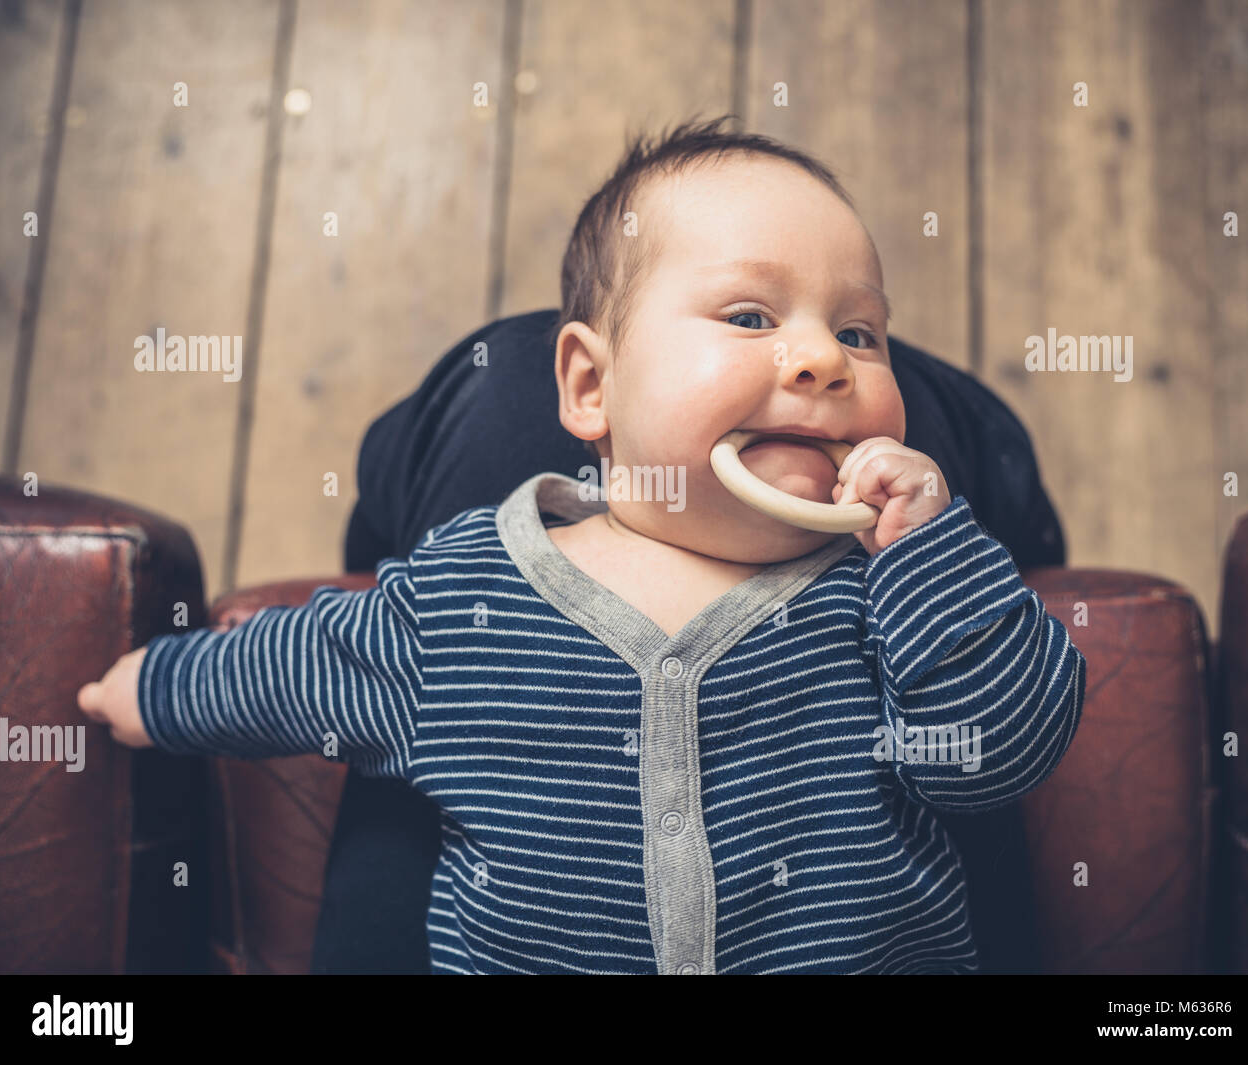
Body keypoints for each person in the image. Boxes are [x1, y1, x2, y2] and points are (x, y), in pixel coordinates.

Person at [79, 116, 1084, 973]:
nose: (824, 358)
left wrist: (937, 552)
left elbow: (1002, 754)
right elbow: (294, 666)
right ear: (589, 388)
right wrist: (154, 690)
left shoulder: (888, 595)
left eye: (862, 335)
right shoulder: (461, 595)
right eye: (749, 315)